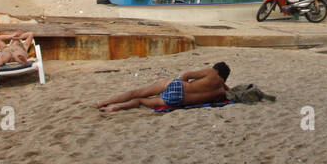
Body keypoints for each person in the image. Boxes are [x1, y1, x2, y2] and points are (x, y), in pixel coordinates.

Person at [97, 62, 231, 113]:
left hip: (178, 86)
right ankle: (116, 108)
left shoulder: (211, 73)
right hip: (178, 100)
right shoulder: (221, 92)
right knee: (140, 101)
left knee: (137, 92)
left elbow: (186, 75)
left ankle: (105, 102)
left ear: (216, 70)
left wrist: (185, 83)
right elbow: (226, 91)